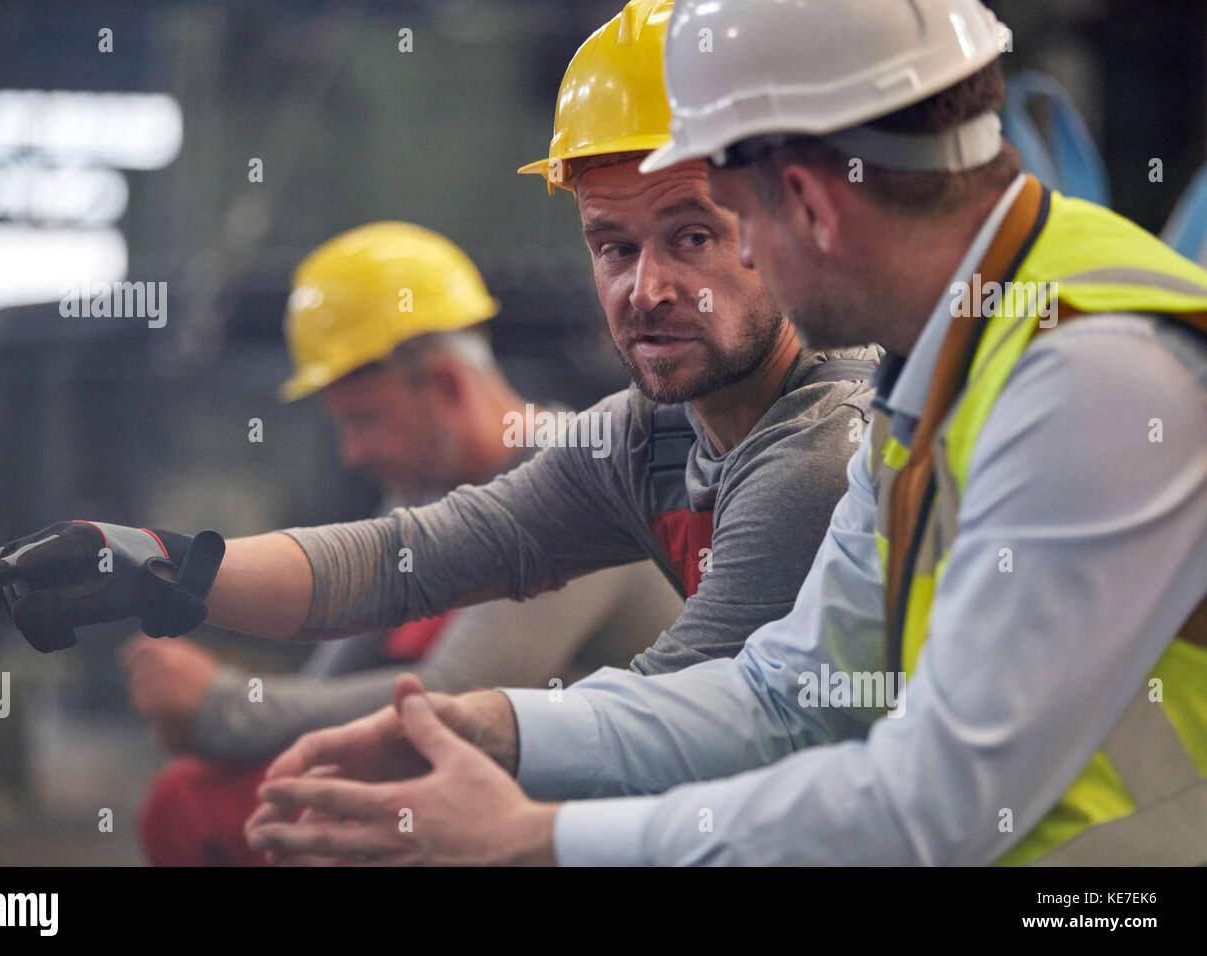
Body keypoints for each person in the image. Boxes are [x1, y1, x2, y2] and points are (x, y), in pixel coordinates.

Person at [242, 0, 1207, 866]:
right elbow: (790, 697)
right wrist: (497, 727)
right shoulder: (939, 370)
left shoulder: (1090, 372)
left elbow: (934, 805)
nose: (722, 262)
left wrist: (539, 838)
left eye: (720, 224)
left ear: (812, 204)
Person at [0, 1, 879, 687]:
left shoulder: (823, 446)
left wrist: (268, 724)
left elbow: (689, 705)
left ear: (783, 218)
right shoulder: (640, 439)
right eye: (613, 246)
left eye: (693, 236)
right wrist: (156, 562)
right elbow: (404, 559)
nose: (647, 288)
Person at [121, 221, 683, 865]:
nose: (352, 452)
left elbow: (454, 696)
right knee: (197, 802)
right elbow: (333, 677)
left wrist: (223, 707)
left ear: (446, 386)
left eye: (365, 420)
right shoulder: (421, 495)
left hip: (605, 831)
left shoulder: (585, 475)